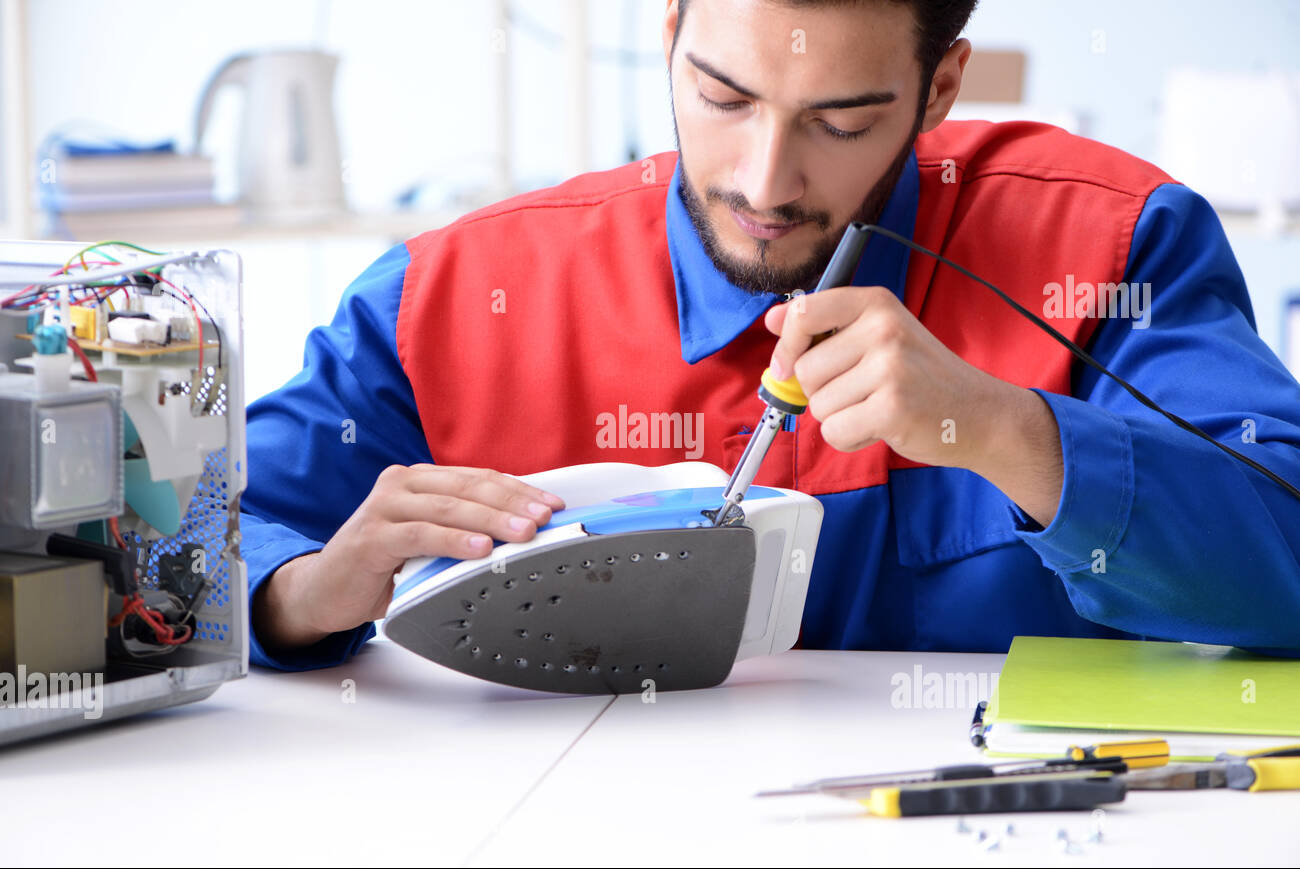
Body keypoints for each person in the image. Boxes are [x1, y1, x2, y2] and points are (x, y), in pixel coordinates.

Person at [242, 0, 1300, 671]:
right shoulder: (450, 294)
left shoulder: (1112, 244)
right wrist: (296, 595)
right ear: (668, 32)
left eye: (840, 123)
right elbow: (194, 545)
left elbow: (1284, 558)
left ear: (939, 87)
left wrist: (1003, 430)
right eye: (720, 95)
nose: (762, 181)